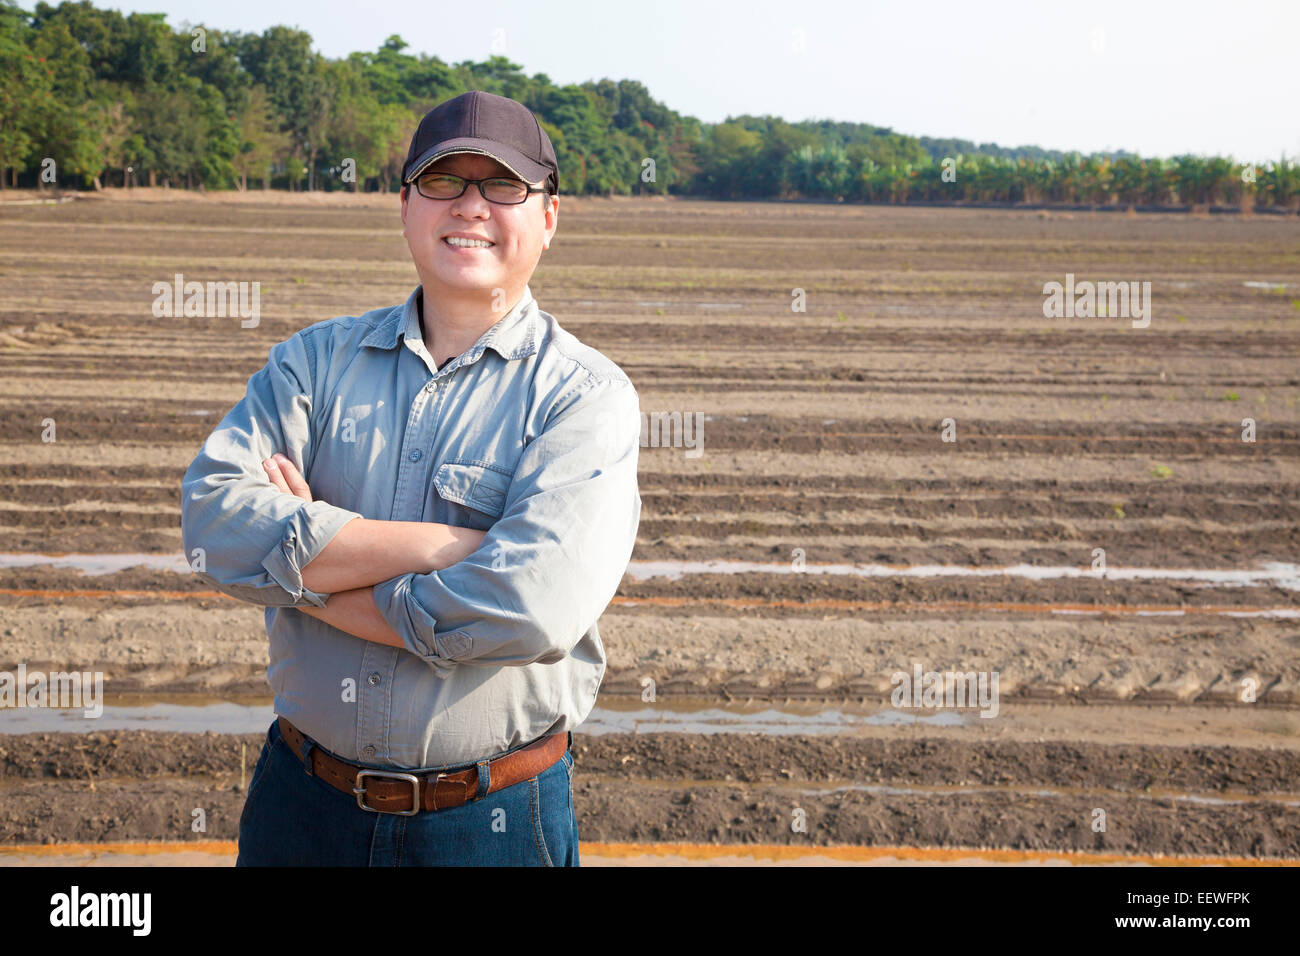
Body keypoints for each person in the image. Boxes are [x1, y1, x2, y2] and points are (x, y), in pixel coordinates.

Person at [180, 90, 642, 866]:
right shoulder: (313, 364)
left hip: (490, 822)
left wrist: (305, 578)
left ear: (549, 217)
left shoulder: (584, 397)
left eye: (503, 185)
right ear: (404, 206)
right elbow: (216, 525)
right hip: (303, 808)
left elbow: (532, 608)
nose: (471, 206)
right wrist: (441, 544)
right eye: (443, 182)